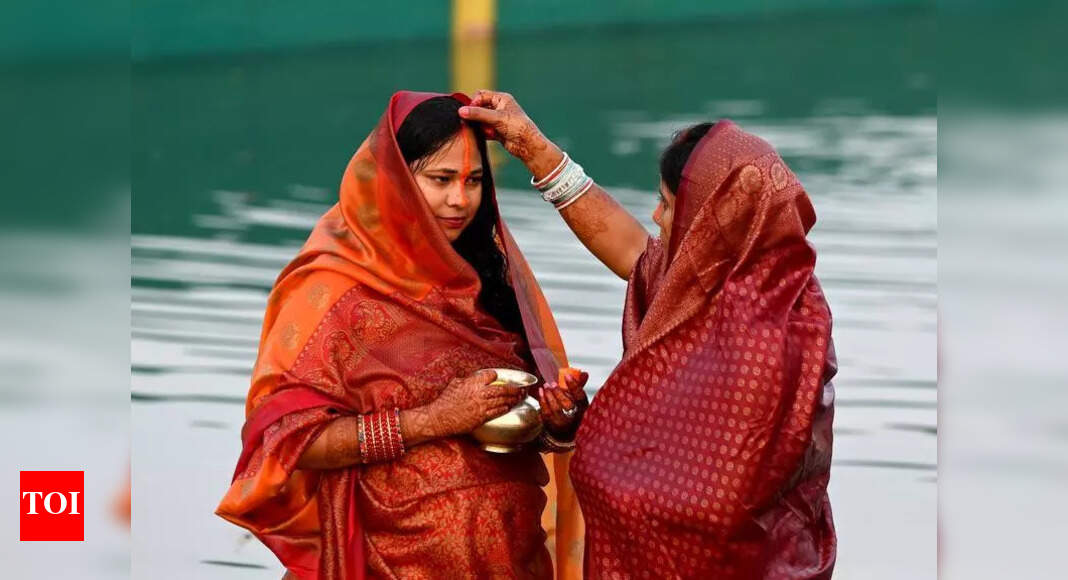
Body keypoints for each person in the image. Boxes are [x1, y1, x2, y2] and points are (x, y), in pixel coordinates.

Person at [460, 91, 838, 579]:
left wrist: (599, 450)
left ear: (711, 220)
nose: (657, 219)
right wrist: (535, 149)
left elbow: (718, 505)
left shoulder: (772, 338)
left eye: (666, 205)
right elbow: (635, 250)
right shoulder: (732, 274)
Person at [217, 92, 586, 580]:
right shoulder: (330, 289)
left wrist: (556, 421)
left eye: (473, 182)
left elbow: (514, 421)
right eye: (440, 180)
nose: (460, 200)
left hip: (509, 559)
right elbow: (285, 441)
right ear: (395, 181)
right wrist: (432, 420)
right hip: (379, 560)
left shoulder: (489, 279)